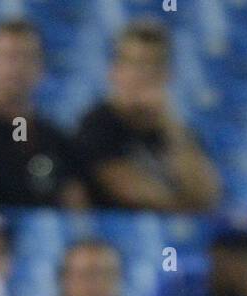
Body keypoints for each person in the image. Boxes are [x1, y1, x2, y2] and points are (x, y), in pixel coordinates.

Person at [73, 20, 220, 213]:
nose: (143, 74)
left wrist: (169, 125)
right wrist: (184, 208)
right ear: (114, 71)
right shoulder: (97, 124)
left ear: (168, 75)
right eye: (134, 63)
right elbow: (128, 191)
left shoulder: (178, 130)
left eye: (154, 65)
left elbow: (206, 195)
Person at [0, 19, 85, 209]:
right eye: (8, 57)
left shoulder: (56, 138)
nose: (16, 67)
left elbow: (74, 200)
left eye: (26, 57)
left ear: (41, 68)